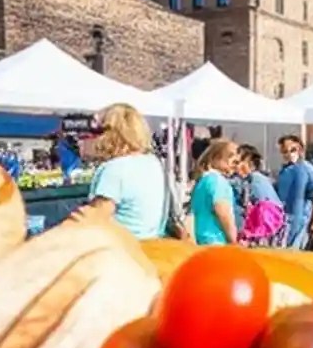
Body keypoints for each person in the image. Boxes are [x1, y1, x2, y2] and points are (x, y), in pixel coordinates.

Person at [76, 103, 170, 239]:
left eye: (96, 131)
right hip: (150, 244)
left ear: (109, 134)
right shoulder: (153, 162)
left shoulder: (114, 169)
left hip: (119, 249)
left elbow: (96, 219)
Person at [275, 135, 313, 249]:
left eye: (292, 150)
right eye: (284, 151)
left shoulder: (308, 170)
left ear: (300, 149)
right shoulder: (284, 172)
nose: (288, 154)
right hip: (284, 221)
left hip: (300, 220)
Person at [233, 145, 285, 246]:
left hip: (264, 232)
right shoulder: (252, 180)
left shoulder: (255, 179)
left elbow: (265, 210)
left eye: (238, 162)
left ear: (251, 164)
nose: (236, 167)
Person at [190, 139, 239, 246]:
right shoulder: (218, 182)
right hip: (217, 242)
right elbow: (223, 212)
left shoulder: (203, 181)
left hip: (201, 242)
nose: (235, 162)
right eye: (230, 156)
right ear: (215, 158)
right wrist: (233, 240)